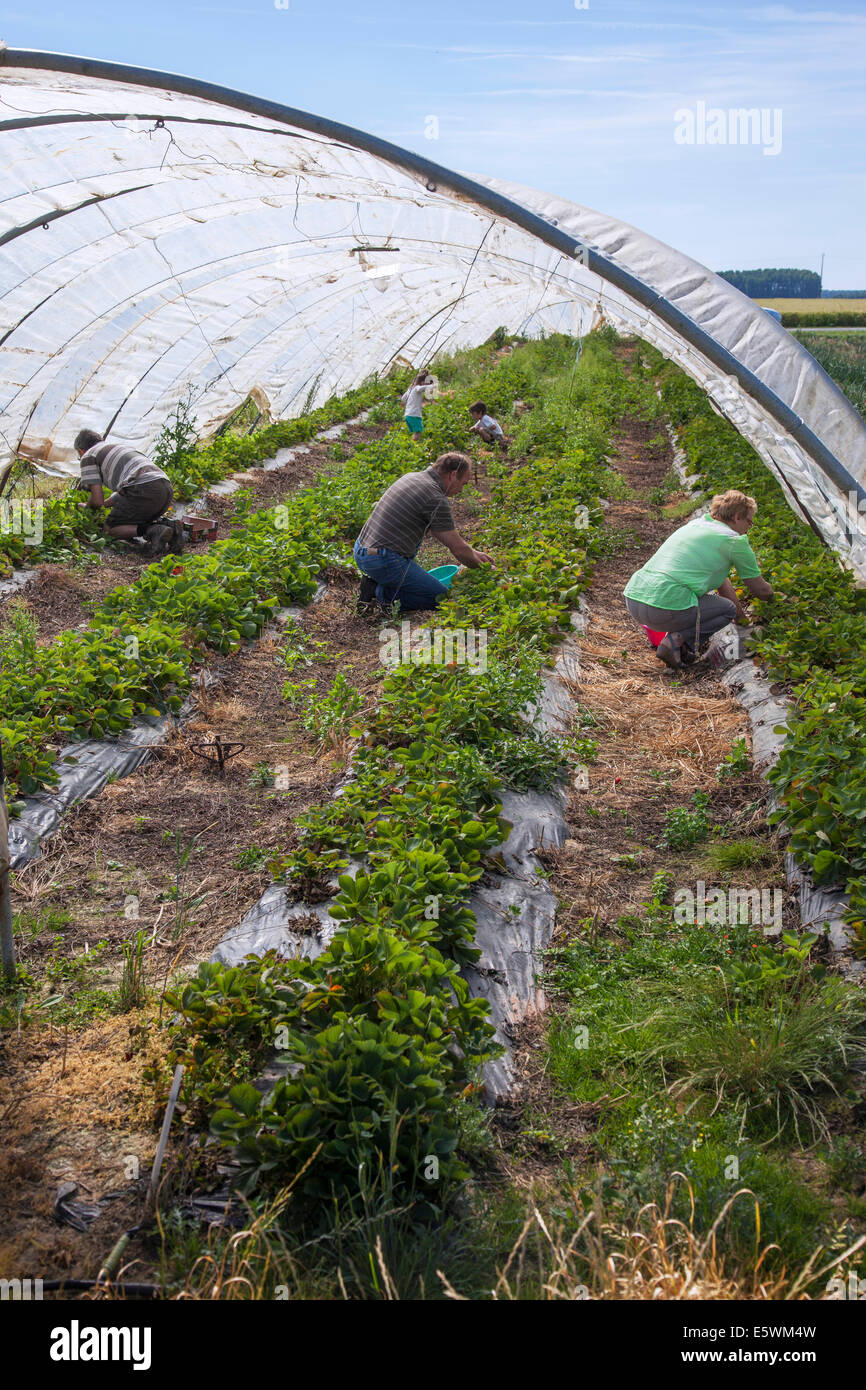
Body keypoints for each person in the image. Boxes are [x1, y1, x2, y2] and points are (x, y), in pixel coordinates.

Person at [623, 490, 773, 670]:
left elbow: (722, 582)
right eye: (749, 520)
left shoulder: (697, 525)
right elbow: (761, 591)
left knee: (726, 607)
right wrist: (780, 603)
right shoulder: (734, 541)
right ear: (736, 517)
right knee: (726, 609)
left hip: (634, 598)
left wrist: (742, 621)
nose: (750, 526)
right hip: (665, 606)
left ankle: (677, 647)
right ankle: (675, 642)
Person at [354, 451, 494, 611]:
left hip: (363, 550)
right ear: (453, 475)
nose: (461, 490)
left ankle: (379, 583)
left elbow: (443, 534)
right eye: (463, 483)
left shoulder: (412, 477)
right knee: (442, 598)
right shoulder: (433, 497)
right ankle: (381, 594)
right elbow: (458, 549)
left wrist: (474, 553)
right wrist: (485, 569)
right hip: (383, 559)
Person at [74, 429, 183, 556]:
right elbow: (123, 493)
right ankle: (170, 528)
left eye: (79, 455)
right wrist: (106, 504)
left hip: (143, 489)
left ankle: (153, 530)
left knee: (109, 530)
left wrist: (87, 507)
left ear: (81, 450)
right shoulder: (118, 447)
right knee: (131, 520)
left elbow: (96, 501)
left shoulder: (88, 456)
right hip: (165, 488)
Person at [401, 371, 433, 438]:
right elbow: (420, 388)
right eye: (426, 384)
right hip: (414, 415)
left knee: (415, 433)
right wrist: (433, 385)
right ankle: (412, 447)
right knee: (418, 433)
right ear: (422, 382)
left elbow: (403, 399)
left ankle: (412, 445)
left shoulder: (410, 389)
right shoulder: (417, 388)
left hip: (407, 415)